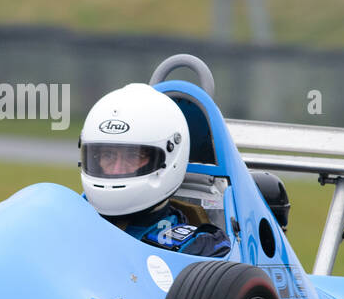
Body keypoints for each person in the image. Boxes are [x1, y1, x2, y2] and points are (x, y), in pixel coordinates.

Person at [79, 83, 231, 257]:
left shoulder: (197, 249)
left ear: (169, 158)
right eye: (108, 155)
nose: (117, 169)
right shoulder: (69, 218)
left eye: (132, 157)